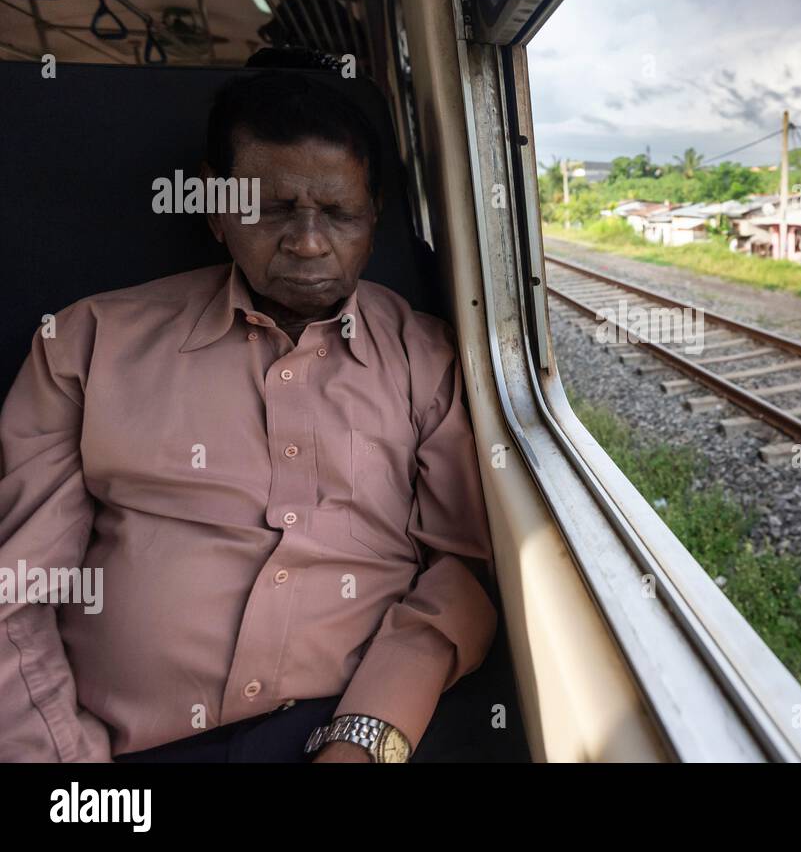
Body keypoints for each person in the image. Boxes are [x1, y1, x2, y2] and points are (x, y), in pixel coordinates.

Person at [0, 70, 496, 762]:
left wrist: (365, 735)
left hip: (350, 720)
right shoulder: (85, 344)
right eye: (272, 210)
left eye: (340, 214)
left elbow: (463, 569)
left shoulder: (427, 357)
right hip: (116, 750)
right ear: (213, 206)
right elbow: (16, 589)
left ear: (375, 215)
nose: (309, 243)